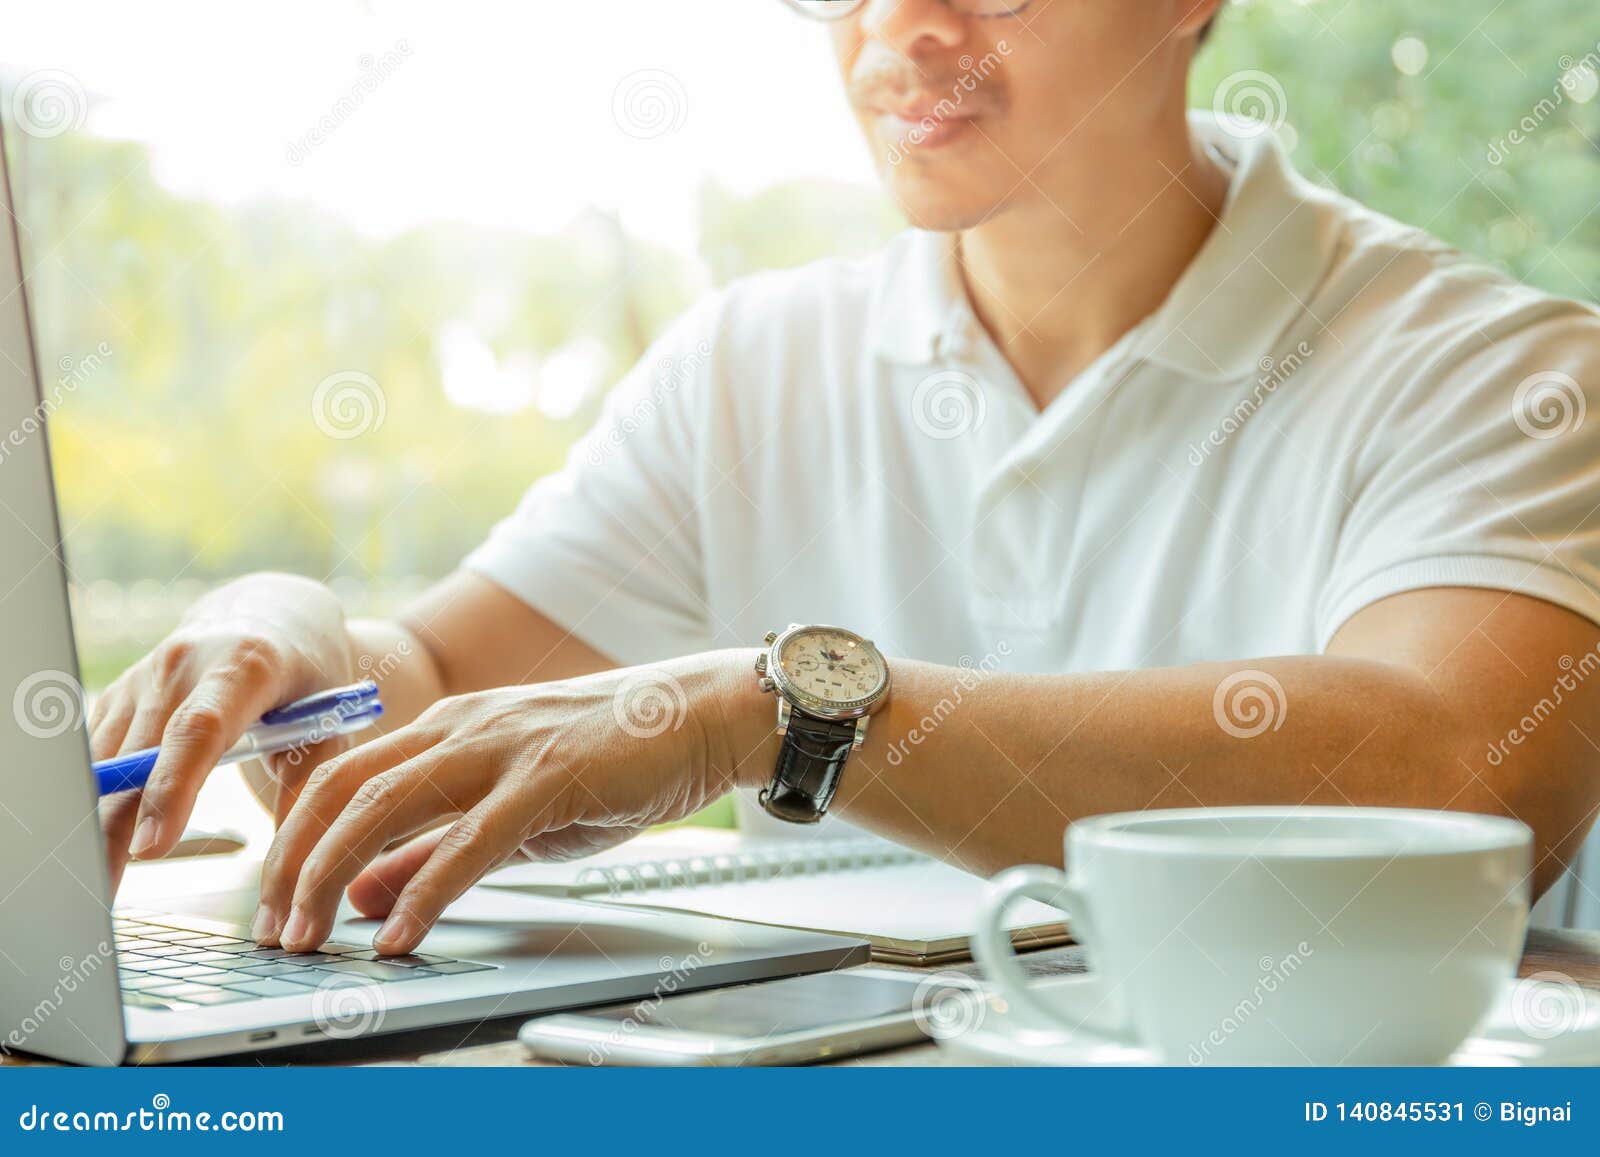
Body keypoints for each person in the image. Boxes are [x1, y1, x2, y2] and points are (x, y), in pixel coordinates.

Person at [92, 0, 1600, 956]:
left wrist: (781, 711)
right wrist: (292, 628)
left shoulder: (1504, 370)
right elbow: (433, 687)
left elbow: (1456, 772)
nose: (898, 33)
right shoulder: (750, 366)